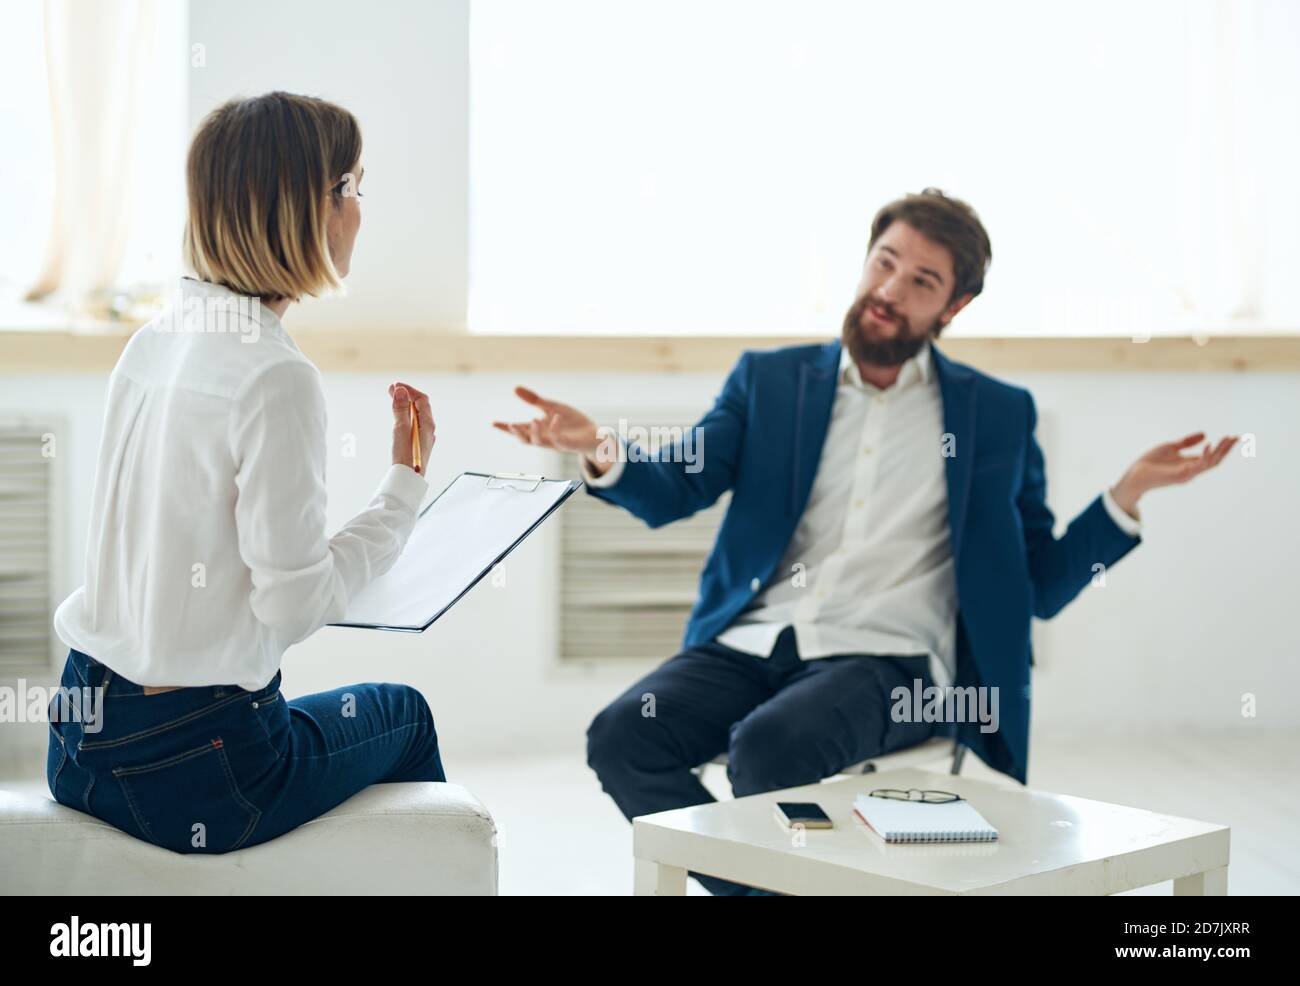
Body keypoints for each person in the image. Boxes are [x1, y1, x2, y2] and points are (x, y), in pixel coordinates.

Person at [494, 188, 1236, 894]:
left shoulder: (999, 415)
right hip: (756, 640)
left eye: (921, 279)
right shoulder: (771, 381)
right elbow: (677, 489)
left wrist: (1125, 498)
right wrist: (600, 449)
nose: (890, 288)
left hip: (889, 661)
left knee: (769, 747)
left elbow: (1039, 584)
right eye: (884, 261)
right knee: (623, 737)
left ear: (955, 305)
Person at [47, 92, 443, 855]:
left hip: (78, 740)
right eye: (355, 188)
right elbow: (293, 604)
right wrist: (404, 487)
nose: (362, 210)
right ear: (311, 210)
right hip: (194, 768)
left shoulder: (154, 342)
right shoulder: (275, 376)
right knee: (406, 714)